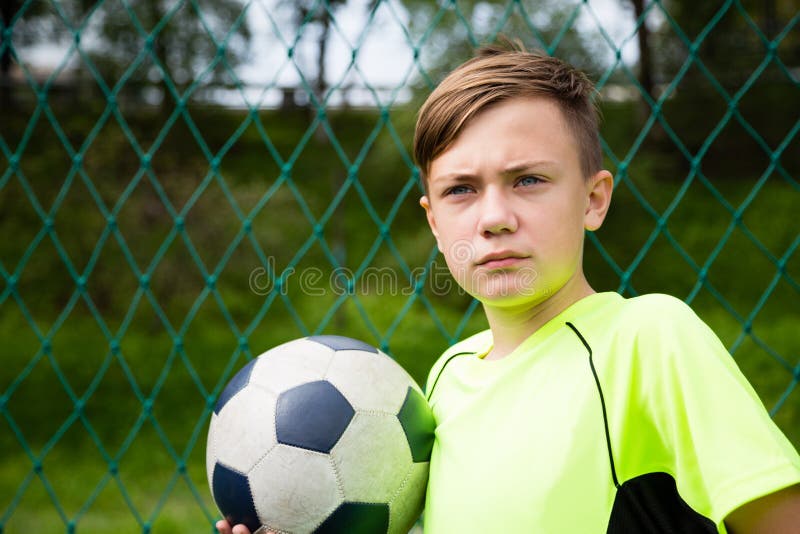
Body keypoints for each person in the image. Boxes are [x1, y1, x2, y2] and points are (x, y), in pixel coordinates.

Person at [218, 43, 800, 533]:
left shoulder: (648, 340)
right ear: (434, 222)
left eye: (527, 180)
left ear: (594, 199)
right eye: (461, 190)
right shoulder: (442, 380)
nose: (494, 217)